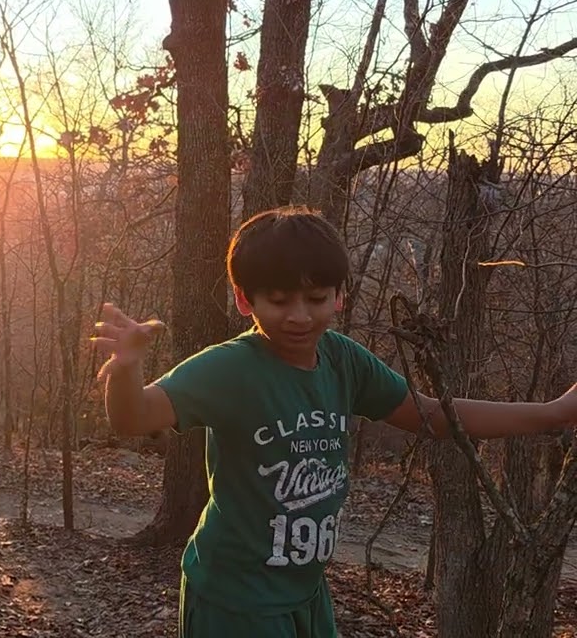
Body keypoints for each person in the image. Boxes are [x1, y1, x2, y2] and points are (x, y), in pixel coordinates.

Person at [92, 205, 577, 638]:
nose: (300, 316)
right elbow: (135, 417)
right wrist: (127, 367)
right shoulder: (230, 369)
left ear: (340, 296)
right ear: (245, 301)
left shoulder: (343, 360)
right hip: (236, 600)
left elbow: (431, 415)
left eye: (317, 298)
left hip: (306, 592)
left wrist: (554, 412)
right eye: (279, 301)